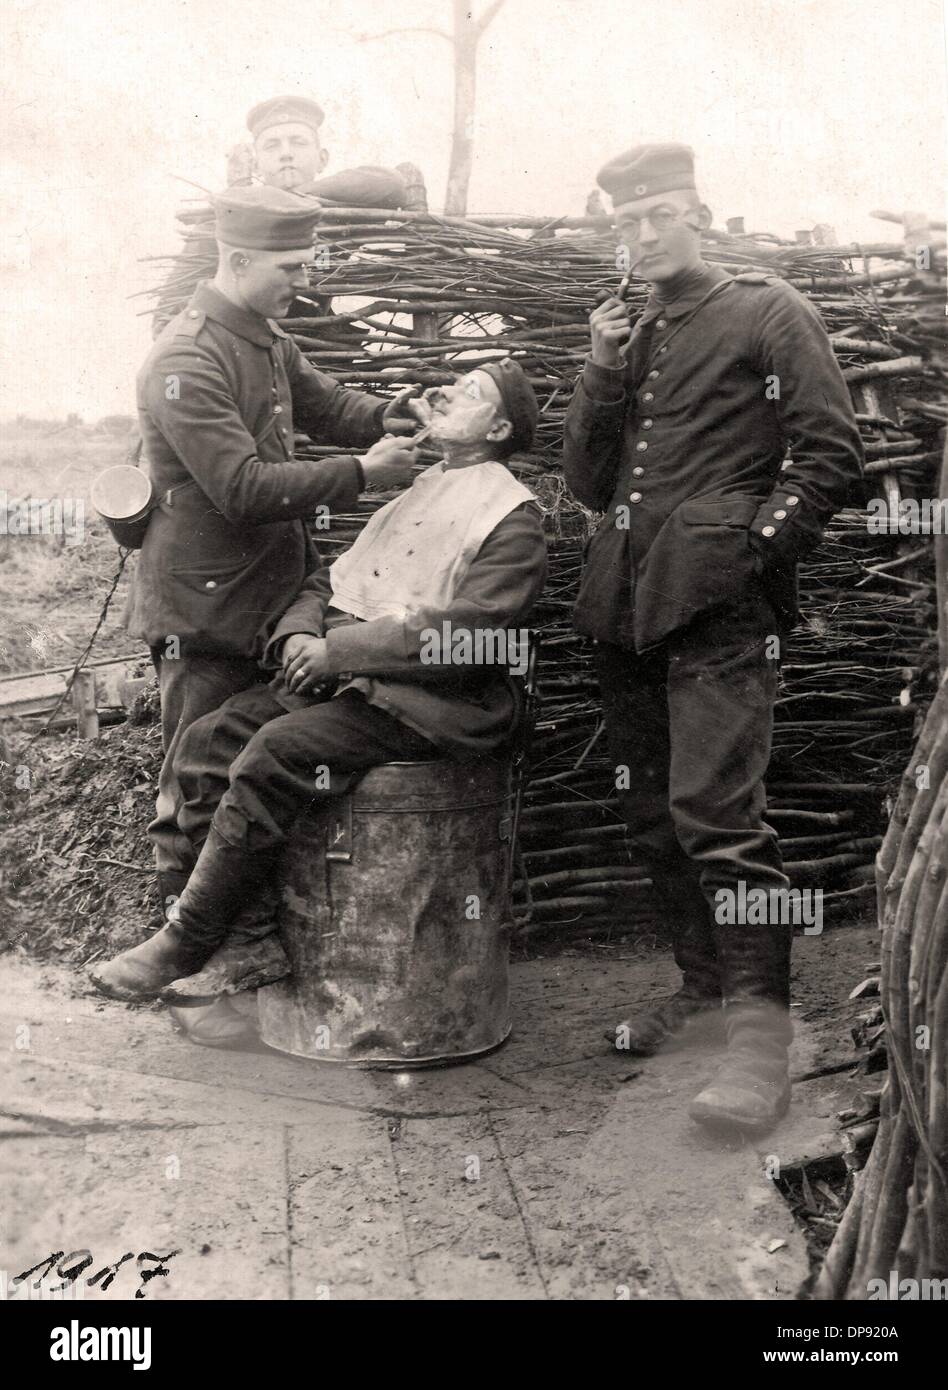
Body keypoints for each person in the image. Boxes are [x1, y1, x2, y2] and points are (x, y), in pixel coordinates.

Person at [92, 359, 548, 1048]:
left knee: (277, 752)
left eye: (473, 391)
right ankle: (246, 944)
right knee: (208, 742)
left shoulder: (511, 517)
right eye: (453, 382)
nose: (449, 390)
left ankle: (187, 938)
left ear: (502, 427)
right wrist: (306, 630)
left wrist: (340, 654)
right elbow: (329, 579)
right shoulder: (415, 492)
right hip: (358, 683)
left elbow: (471, 639)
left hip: (428, 704)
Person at [563, 143, 864, 1134]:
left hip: (720, 612)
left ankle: (761, 1039)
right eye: (627, 222)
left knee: (721, 817)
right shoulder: (636, 329)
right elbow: (587, 484)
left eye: (659, 216)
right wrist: (603, 369)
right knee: (653, 813)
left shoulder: (766, 307)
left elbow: (829, 451)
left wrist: (753, 553)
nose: (643, 236)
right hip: (627, 607)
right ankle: (701, 991)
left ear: (701, 211)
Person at [125, 185, 421, 936]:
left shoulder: (262, 334)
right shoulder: (184, 360)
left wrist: (393, 415)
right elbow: (243, 489)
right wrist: (365, 471)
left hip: (268, 599)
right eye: (290, 267)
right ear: (238, 257)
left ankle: (238, 948)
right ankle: (186, 962)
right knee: (191, 785)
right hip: (207, 611)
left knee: (239, 777)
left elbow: (326, 406)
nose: (304, 282)